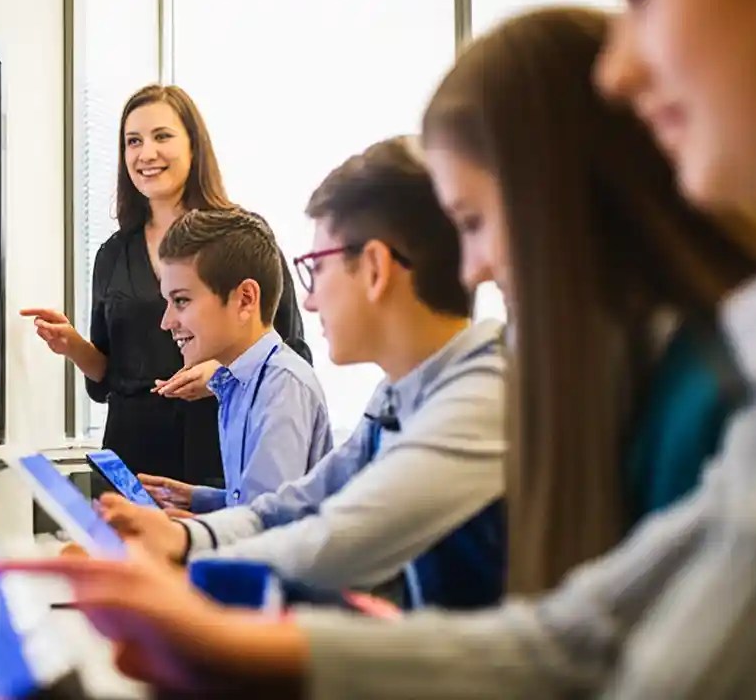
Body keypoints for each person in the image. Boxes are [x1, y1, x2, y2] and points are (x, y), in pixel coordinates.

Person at [0, 4, 756, 698]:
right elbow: (571, 641)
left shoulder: (726, 371)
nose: (478, 267)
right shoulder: (704, 360)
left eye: (475, 224)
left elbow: (342, 535)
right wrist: (194, 572)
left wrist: (193, 579)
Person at [420, 8, 756, 593]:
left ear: (567, 197)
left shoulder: (716, 396)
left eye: (472, 222)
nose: (473, 270)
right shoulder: (650, 377)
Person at [103, 136, 508, 609]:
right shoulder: (395, 396)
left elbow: (335, 543)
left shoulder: (478, 398)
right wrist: (184, 540)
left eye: (315, 270)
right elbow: (292, 506)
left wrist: (170, 567)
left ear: (374, 267)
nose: (310, 300)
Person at [21, 85, 310, 486]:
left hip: (218, 450)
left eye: (162, 136)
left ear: (194, 146)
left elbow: (290, 353)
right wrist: (74, 346)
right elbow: (107, 380)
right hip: (134, 455)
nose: (146, 153)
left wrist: (221, 375)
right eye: (133, 141)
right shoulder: (113, 254)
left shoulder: (242, 237)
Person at [146, 208, 331, 513]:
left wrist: (186, 530)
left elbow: (272, 526)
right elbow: (261, 501)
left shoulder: (282, 388)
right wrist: (200, 500)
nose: (166, 322)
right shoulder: (237, 383)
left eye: (181, 301)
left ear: (245, 299)